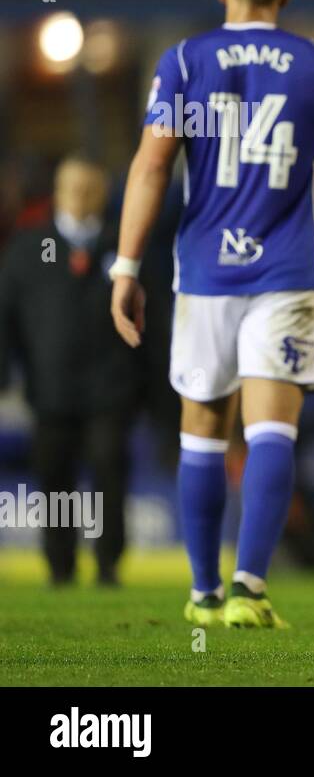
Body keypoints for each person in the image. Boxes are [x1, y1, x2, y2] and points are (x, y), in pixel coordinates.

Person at [110, 0, 314, 628]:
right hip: (286, 270)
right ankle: (250, 591)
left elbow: (151, 166)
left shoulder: (185, 61)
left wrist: (126, 265)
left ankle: (202, 593)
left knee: (201, 427)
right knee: (271, 433)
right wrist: (289, 147)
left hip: (205, 271)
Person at [0, 156, 143, 586]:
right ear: (57, 192)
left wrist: (156, 389)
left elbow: (154, 320)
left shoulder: (127, 246)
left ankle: (108, 562)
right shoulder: (29, 248)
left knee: (108, 468)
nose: (80, 196)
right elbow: (5, 315)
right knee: (55, 476)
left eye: (89, 187)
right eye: (72, 187)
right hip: (51, 388)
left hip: (111, 388)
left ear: (104, 192)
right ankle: (60, 566)